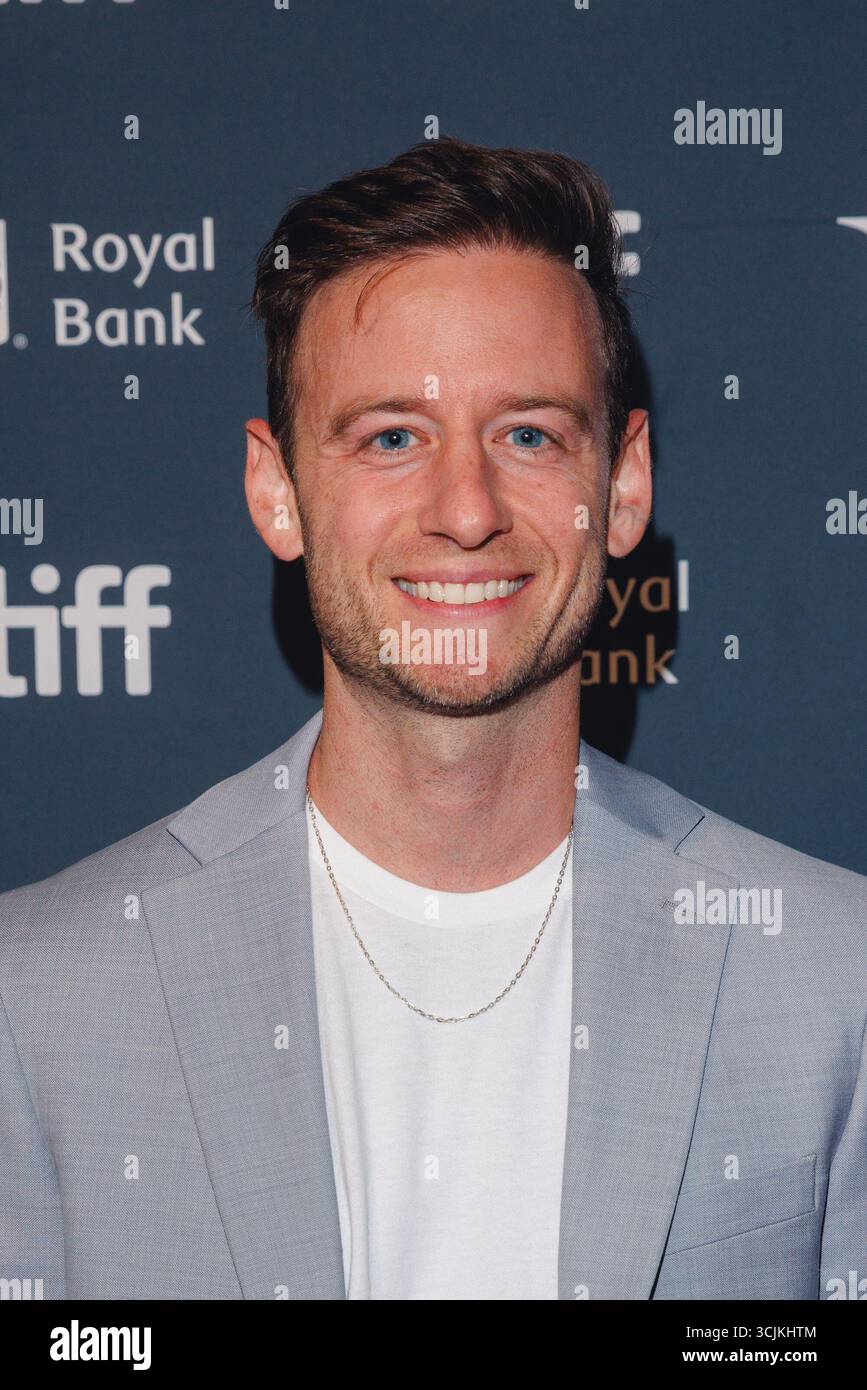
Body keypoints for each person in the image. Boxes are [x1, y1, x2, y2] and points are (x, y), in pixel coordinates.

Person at [1, 137, 864, 1301]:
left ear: (623, 487)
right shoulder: (40, 995)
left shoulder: (828, 978)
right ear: (277, 490)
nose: (466, 511)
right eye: (392, 437)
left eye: (529, 434)